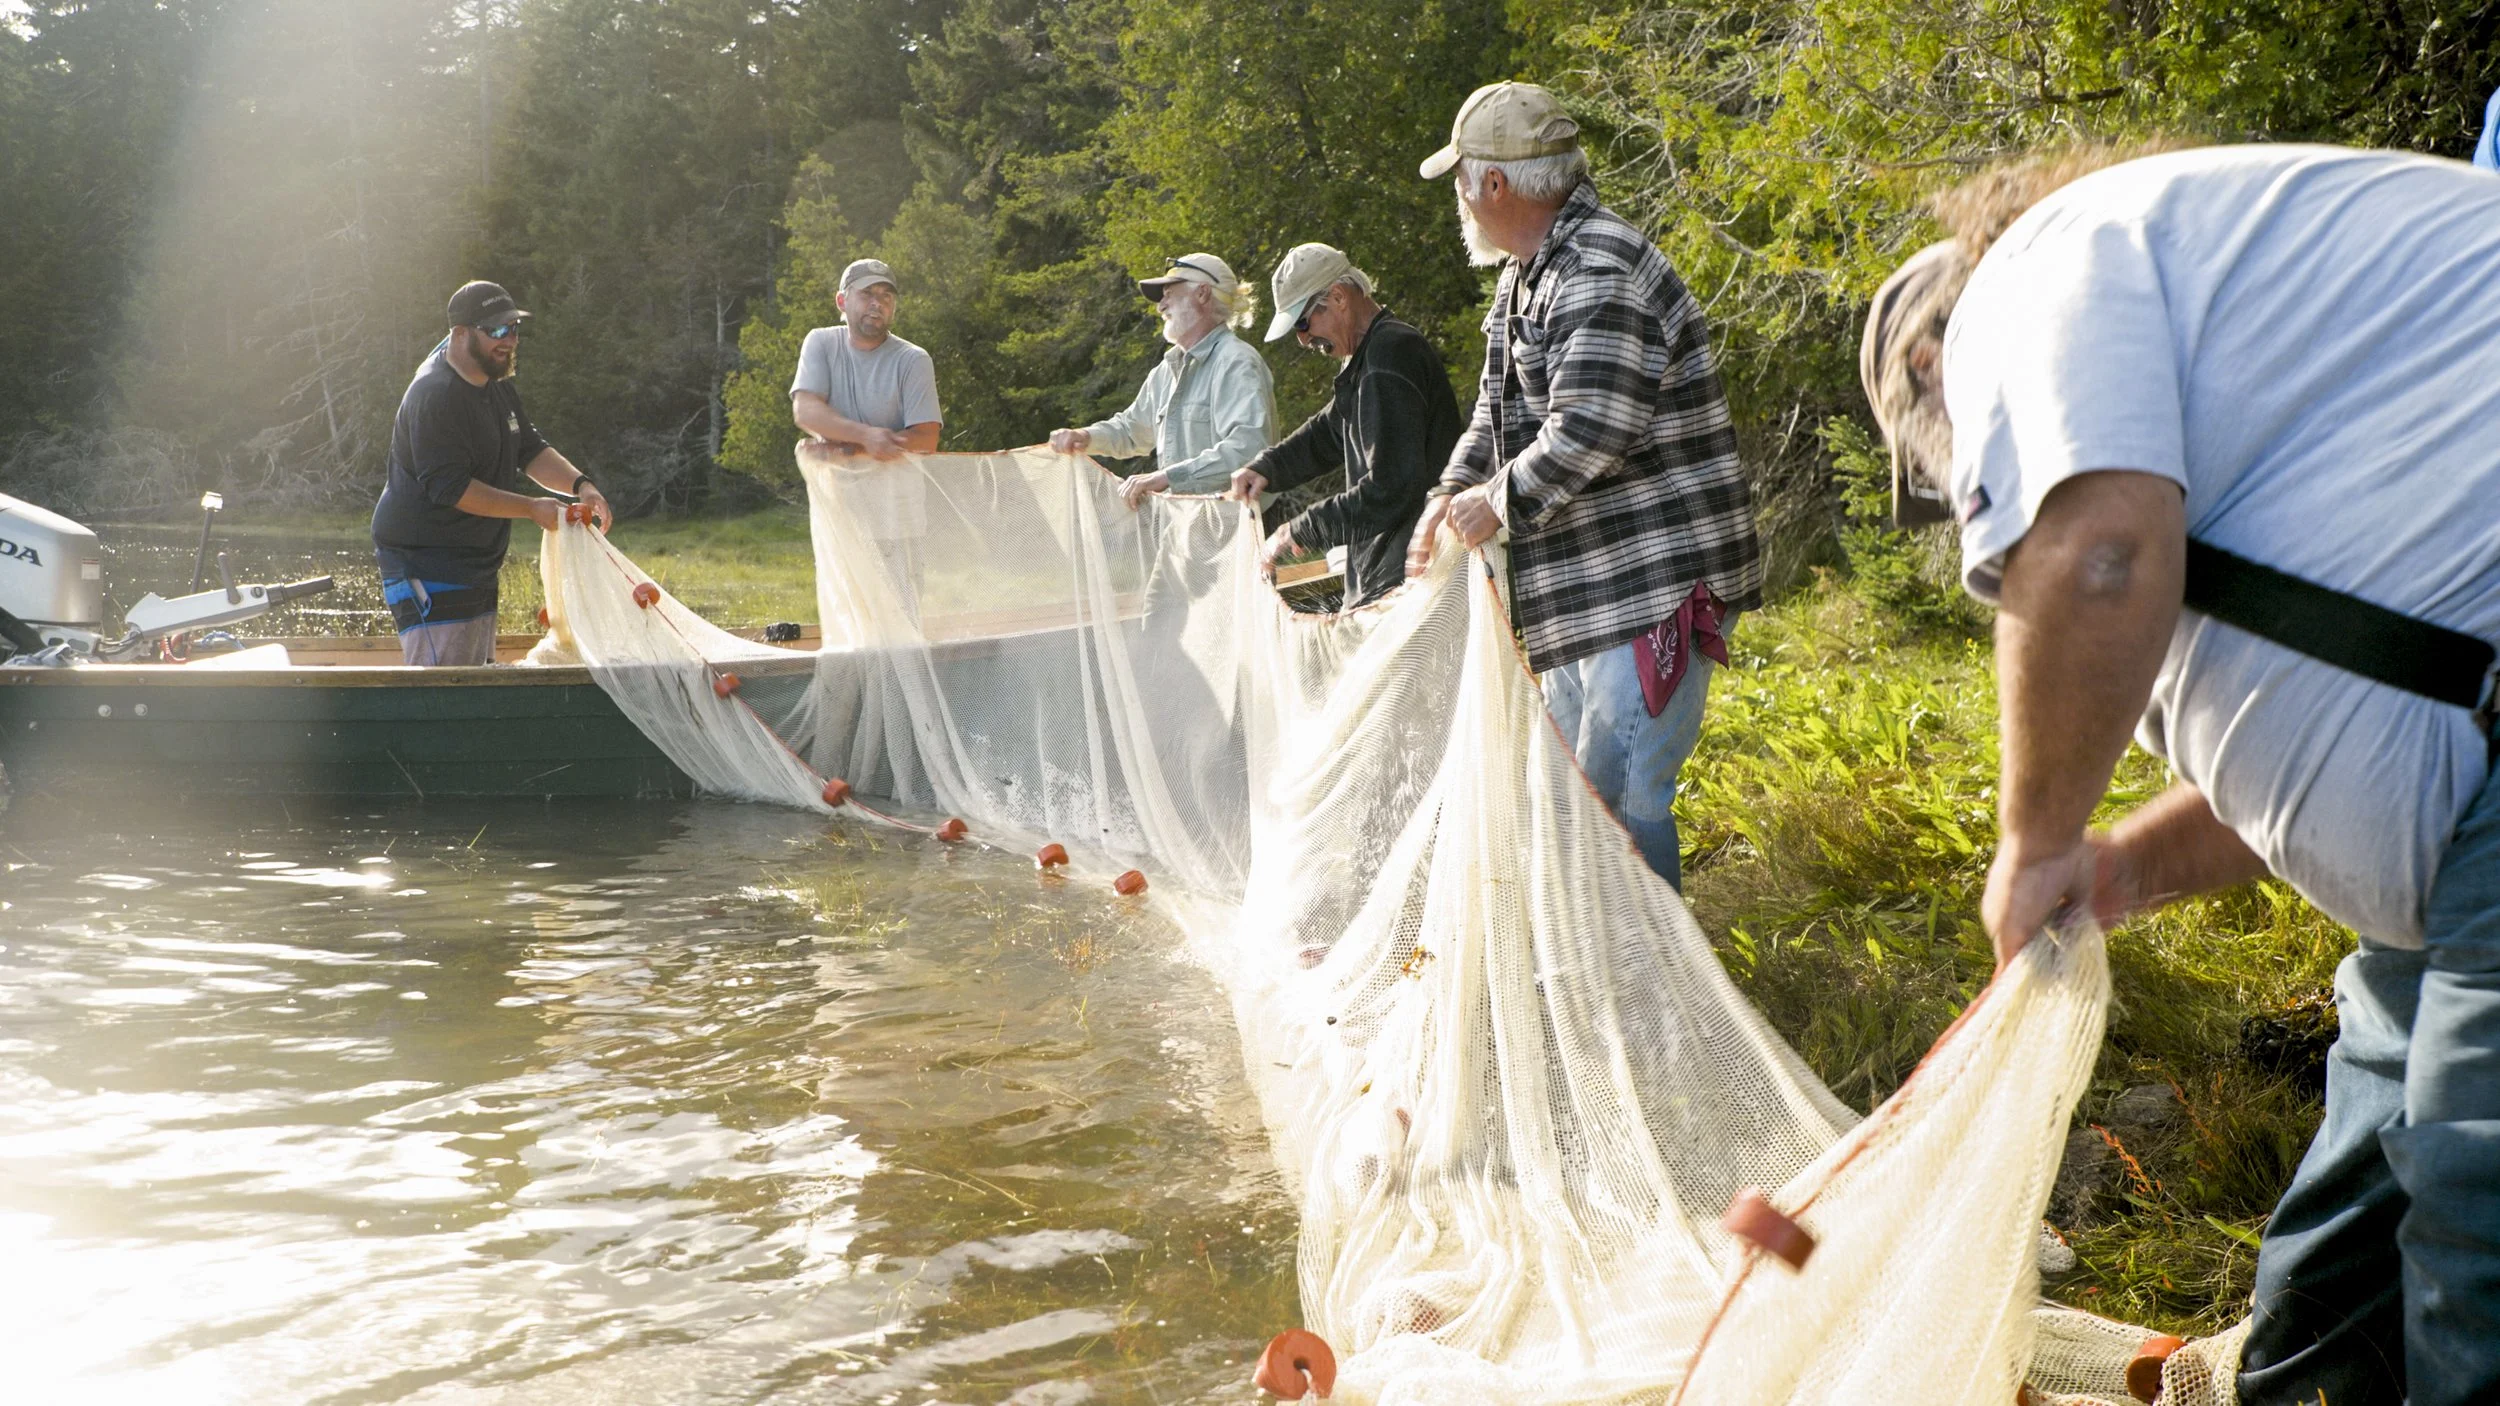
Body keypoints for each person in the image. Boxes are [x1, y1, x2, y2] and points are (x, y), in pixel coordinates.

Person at [1861, 143, 2500, 1406]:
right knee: (2340, 1258)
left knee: (2480, 1228)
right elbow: (2323, 740)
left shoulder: (2034, 278)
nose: (1975, 505)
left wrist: (2034, 837)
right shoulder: (2226, 380)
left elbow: (2095, 553)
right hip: (2453, 833)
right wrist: (2113, 868)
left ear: (1931, 369)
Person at [1404, 82, 1762, 889]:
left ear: (1493, 184)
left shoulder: (1598, 269)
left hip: (1651, 587)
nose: (1457, 201)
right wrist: (1446, 494)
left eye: (1460, 181)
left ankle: (1652, 996)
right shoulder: (1525, 277)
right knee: (1574, 797)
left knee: (1622, 800)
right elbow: (1493, 419)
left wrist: (1489, 502)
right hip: (1582, 592)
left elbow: (1591, 430)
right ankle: (1601, 985)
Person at [372, 280, 610, 667]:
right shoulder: (435, 395)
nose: (510, 340)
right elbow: (451, 488)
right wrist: (532, 508)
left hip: (477, 566)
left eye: (514, 329)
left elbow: (530, 450)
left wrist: (582, 486)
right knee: (447, 692)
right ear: (460, 333)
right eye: (497, 330)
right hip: (426, 565)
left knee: (473, 679)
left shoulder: (497, 386)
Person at [1225, 243, 1461, 608]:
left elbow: (1390, 488)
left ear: (1337, 297)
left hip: (1415, 583)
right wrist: (1267, 467)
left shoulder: (1389, 355)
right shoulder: (1368, 358)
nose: (1303, 339)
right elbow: (1328, 432)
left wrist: (1298, 531)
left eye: (1303, 323)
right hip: (1392, 579)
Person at [1048, 254, 1275, 509]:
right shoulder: (1166, 371)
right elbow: (1131, 431)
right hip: (1187, 535)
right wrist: (1085, 436)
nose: (1160, 306)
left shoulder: (1236, 362)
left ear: (1202, 293)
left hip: (1240, 535)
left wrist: (1167, 477)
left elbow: (1248, 450)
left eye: (1169, 293)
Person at [790, 258, 943, 601]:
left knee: (901, 612)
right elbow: (806, 410)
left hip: (897, 517)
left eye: (887, 296)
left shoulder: (913, 360)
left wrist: (846, 449)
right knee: (848, 608)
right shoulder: (820, 343)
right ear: (842, 302)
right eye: (868, 293)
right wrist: (866, 437)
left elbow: (926, 439)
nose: (878, 303)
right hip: (841, 512)